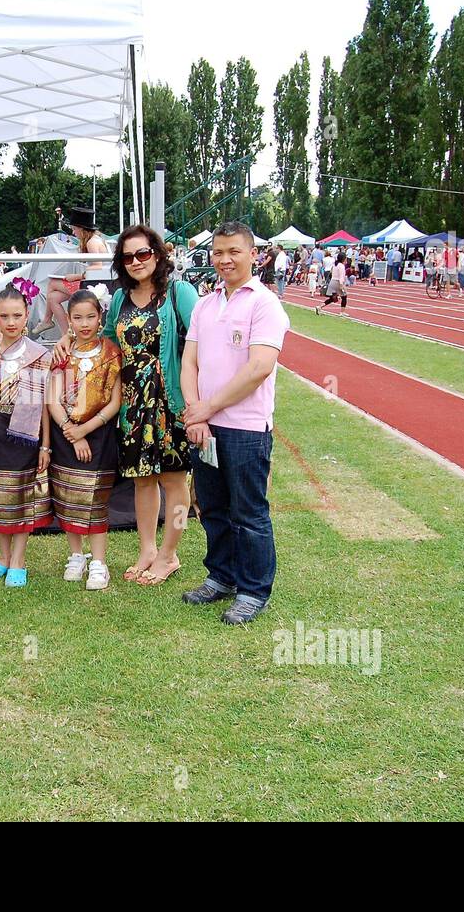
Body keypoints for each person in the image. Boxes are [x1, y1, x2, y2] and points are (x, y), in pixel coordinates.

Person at [57, 224, 197, 586]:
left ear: (158, 254)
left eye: (143, 253)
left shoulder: (178, 293)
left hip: (170, 402)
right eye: (128, 256)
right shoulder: (119, 299)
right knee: (142, 480)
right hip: (132, 404)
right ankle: (148, 549)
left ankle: (170, 553)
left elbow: (201, 340)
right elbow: (103, 342)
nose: (136, 261)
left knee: (174, 480)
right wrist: (66, 338)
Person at [179, 220, 289, 625]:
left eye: (233, 252)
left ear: (253, 255)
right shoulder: (206, 304)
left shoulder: (265, 304)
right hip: (204, 426)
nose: (224, 260)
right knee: (213, 508)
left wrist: (207, 408)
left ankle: (253, 590)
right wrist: (195, 411)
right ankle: (221, 577)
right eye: (218, 252)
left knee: (249, 512)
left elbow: (259, 368)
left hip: (245, 428)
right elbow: (189, 361)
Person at [0, 286, 53, 587]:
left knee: (21, 496)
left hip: (26, 432)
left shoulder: (39, 355)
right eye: (4, 316)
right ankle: (3, 558)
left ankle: (19, 560)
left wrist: (45, 443)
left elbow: (44, 402)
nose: (11, 322)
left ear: (27, 316)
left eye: (17, 315)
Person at [48, 289, 122, 590]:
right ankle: (76, 555)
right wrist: (71, 430)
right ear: (69, 320)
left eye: (91, 316)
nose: (84, 323)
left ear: (100, 317)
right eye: (77, 317)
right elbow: (52, 398)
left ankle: (99, 563)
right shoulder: (61, 353)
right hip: (64, 433)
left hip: (99, 434)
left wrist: (85, 430)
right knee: (68, 496)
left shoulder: (110, 353)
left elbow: (115, 401)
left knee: (95, 499)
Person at [35, 206, 109, 337]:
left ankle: (48, 321)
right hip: (95, 284)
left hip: (93, 287)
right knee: (52, 298)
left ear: (82, 229)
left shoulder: (91, 243)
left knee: (52, 283)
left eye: (74, 229)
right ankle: (67, 335)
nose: (73, 233)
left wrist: (76, 276)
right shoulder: (97, 240)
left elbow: (98, 267)